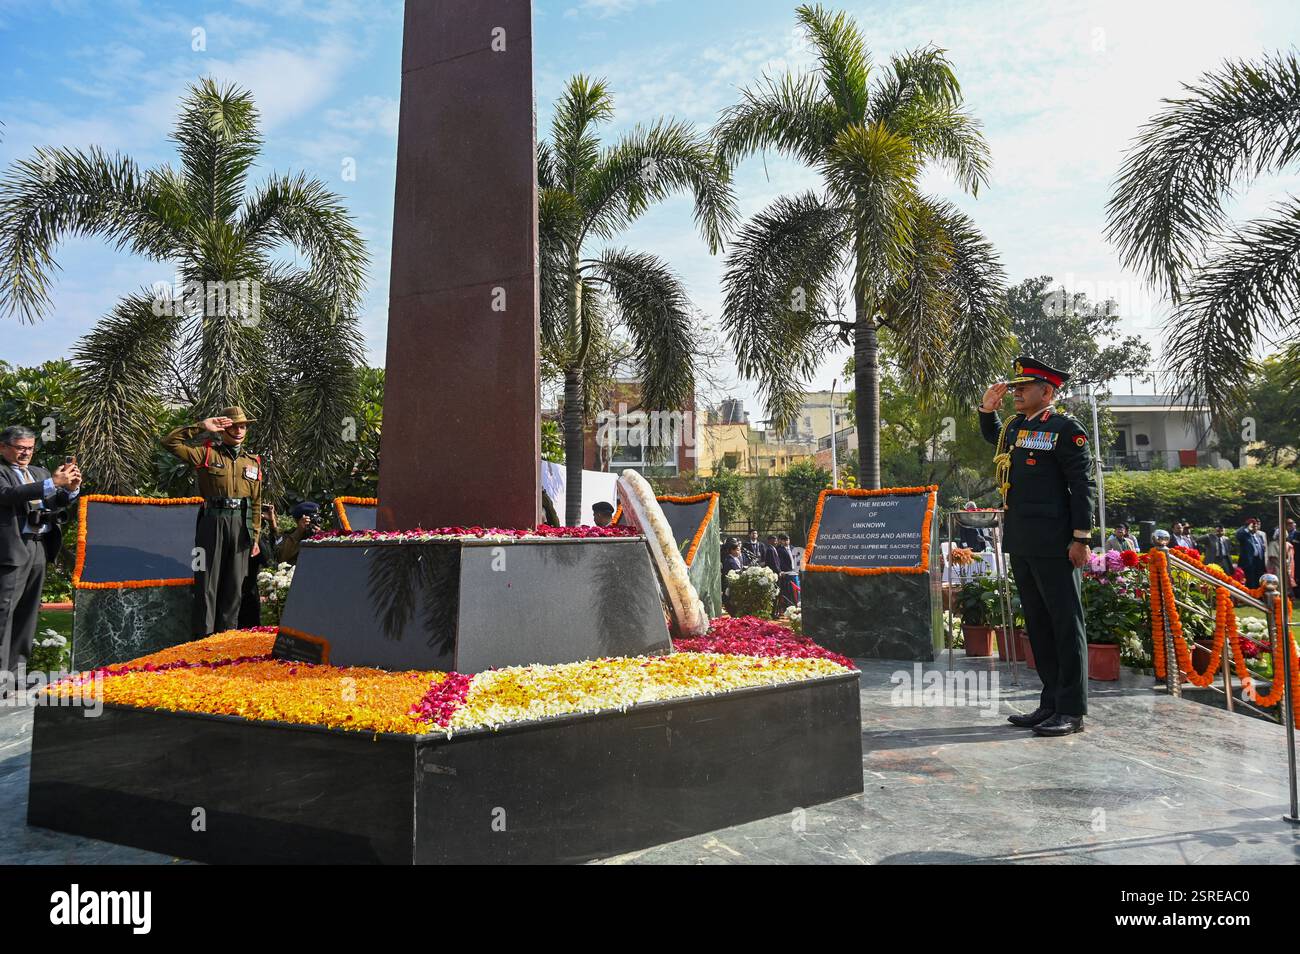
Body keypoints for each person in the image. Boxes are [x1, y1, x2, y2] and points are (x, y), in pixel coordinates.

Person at [979, 356, 1095, 737]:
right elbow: (995, 439)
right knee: (1039, 625)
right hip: (1023, 539)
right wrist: (986, 410)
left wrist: (1081, 538)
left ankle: (1072, 709)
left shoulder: (1065, 429)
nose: (1016, 393)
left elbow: (1082, 486)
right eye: (1013, 388)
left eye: (1023, 388)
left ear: (1047, 392)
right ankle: (1049, 703)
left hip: (1056, 542)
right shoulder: (1017, 427)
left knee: (1065, 624)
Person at [163, 408, 264, 637]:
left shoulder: (253, 462)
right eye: (234, 426)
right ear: (223, 428)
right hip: (212, 523)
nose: (239, 430)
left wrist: (255, 536)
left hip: (241, 525)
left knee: (235, 586)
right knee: (206, 582)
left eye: (243, 426)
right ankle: (204, 640)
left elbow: (256, 502)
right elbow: (169, 442)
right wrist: (202, 426)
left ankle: (226, 639)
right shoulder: (207, 454)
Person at [0, 426, 81, 684]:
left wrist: (69, 490)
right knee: (5, 612)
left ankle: (15, 675)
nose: (26, 453)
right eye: (20, 447)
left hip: (39, 546)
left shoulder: (39, 472)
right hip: (12, 549)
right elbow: (10, 495)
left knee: (28, 612)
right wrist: (51, 483)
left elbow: (52, 501)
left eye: (30, 448)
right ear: (3, 447)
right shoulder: (2, 472)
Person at [277, 501, 320, 566]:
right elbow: (282, 559)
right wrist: (299, 532)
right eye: (312, 519)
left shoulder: (321, 533)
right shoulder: (288, 536)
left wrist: (321, 535)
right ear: (299, 521)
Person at [1236, 517, 1266, 588]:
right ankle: (1250, 597)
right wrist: (1247, 528)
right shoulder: (1244, 536)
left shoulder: (1259, 536)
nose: (1255, 528)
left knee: (1259, 581)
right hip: (1249, 563)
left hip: (1259, 562)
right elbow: (1238, 535)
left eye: (1256, 526)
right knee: (1250, 581)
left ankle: (1258, 596)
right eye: (1253, 526)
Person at [1268, 526, 1296, 596]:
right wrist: (1281, 566)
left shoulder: (1289, 545)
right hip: (1277, 567)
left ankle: (1288, 596)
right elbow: (1272, 558)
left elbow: (1291, 557)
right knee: (1279, 582)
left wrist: (1287, 566)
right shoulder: (1273, 544)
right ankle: (1278, 597)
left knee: (1288, 582)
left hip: (1288, 567)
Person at [721, 538, 743, 614]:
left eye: (739, 550)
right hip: (731, 585)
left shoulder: (737, 559)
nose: (739, 552)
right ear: (732, 550)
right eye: (737, 550)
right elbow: (727, 573)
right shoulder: (728, 560)